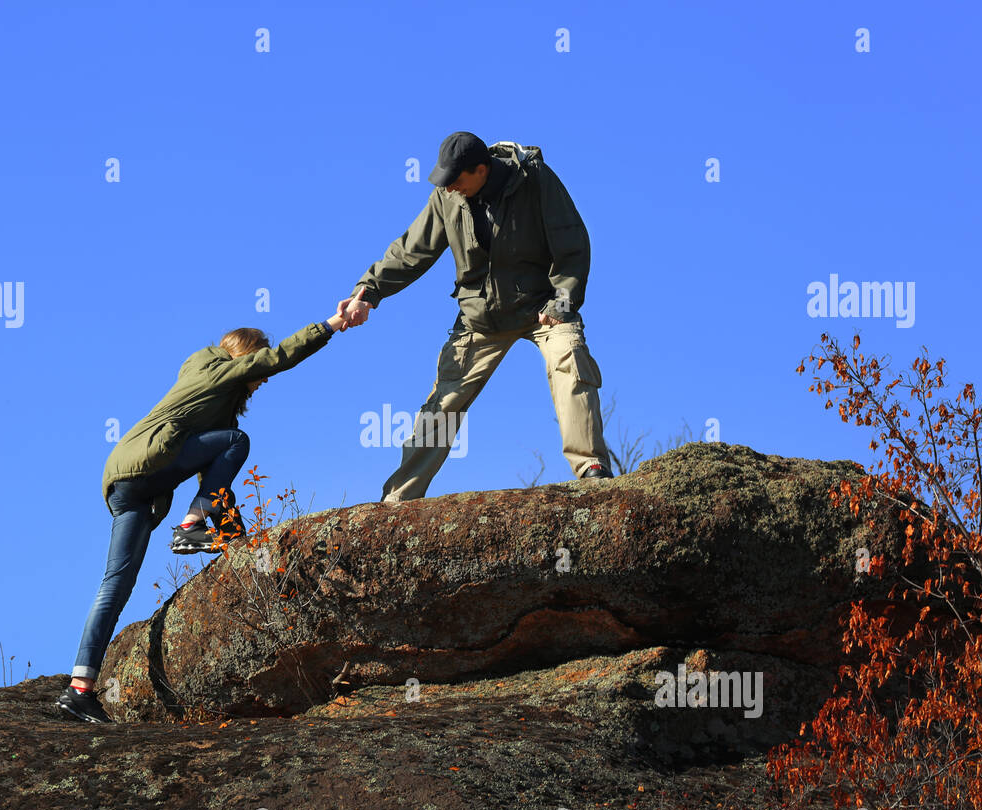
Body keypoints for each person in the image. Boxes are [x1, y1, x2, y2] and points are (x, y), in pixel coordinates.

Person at [56, 309, 354, 723]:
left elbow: (214, 486)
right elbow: (279, 358)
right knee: (238, 441)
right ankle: (188, 529)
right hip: (146, 464)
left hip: (127, 484)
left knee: (115, 585)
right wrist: (330, 326)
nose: (263, 378)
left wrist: (237, 543)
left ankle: (78, 690)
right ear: (245, 355)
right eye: (257, 362)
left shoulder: (212, 394)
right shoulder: (217, 371)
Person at [339, 131, 614, 502]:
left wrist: (560, 304)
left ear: (482, 170)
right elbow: (411, 252)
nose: (449, 188)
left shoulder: (536, 181)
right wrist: (368, 293)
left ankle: (591, 469)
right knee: (443, 404)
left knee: (571, 361)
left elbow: (573, 245)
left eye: (456, 180)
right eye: (445, 181)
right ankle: (399, 498)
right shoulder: (447, 196)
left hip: (542, 308)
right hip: (479, 318)